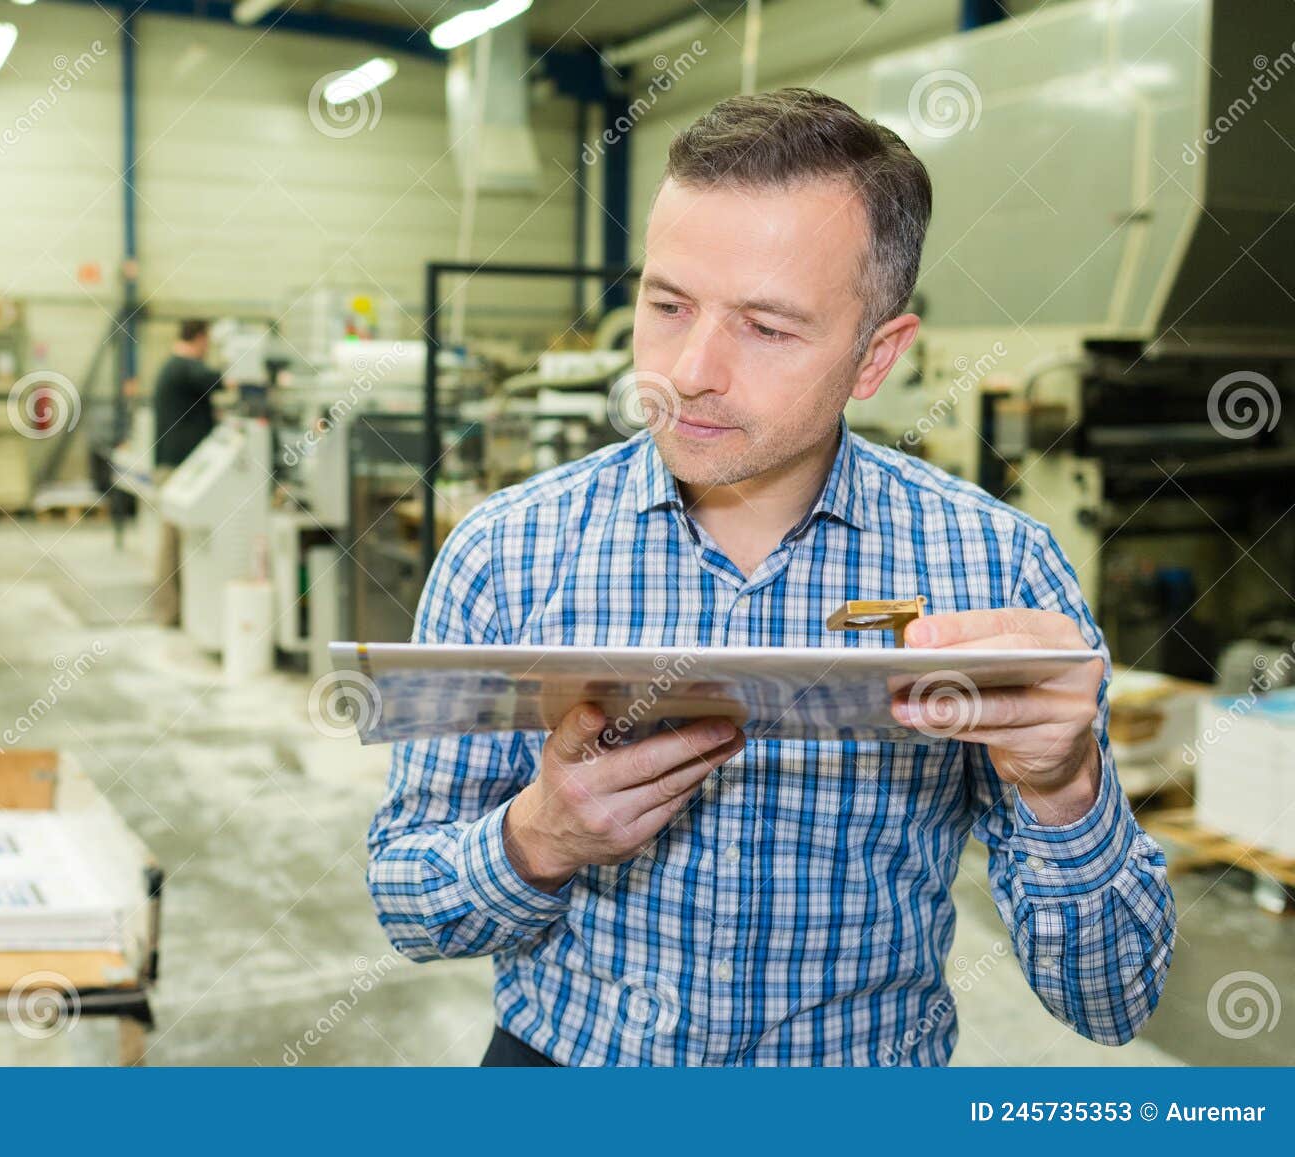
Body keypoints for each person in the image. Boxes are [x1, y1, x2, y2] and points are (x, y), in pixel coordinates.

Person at [367, 91, 1176, 1067]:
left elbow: (1113, 998)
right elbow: (409, 904)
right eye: (666, 306)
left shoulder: (994, 570)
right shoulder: (507, 551)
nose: (692, 368)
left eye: (766, 326)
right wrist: (538, 836)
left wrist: (1062, 786)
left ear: (875, 356)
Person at [151, 319, 222, 626]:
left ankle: (178, 611)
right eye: (208, 341)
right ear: (200, 338)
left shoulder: (173, 368)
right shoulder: (182, 367)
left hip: (177, 467)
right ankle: (168, 612)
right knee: (172, 539)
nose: (209, 349)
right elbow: (216, 380)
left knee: (175, 540)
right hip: (177, 468)